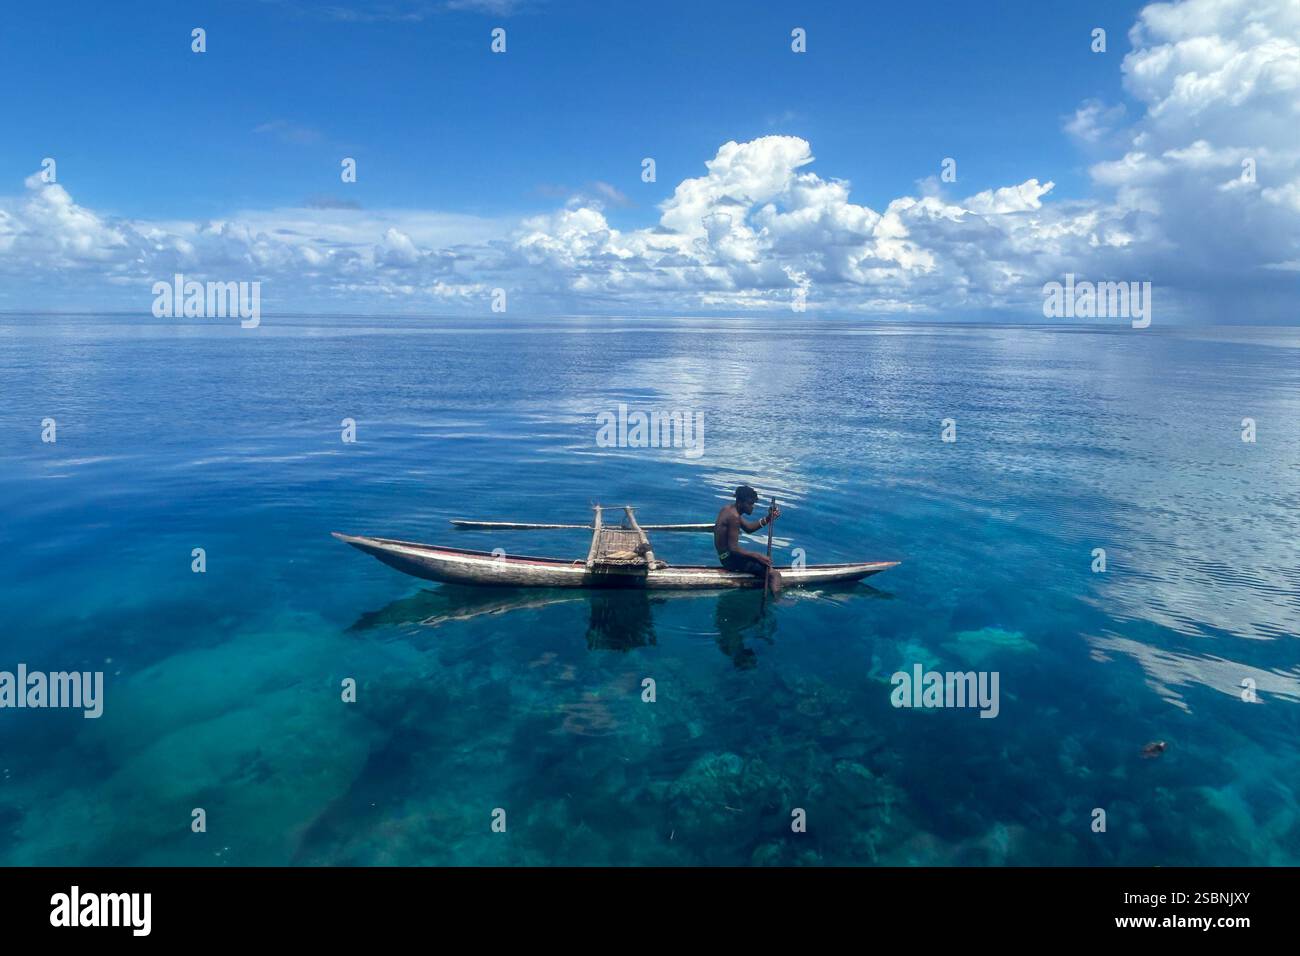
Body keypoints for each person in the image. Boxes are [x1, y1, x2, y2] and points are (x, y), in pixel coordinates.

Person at [714, 485, 782, 592]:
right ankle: (777, 600)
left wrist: (769, 518)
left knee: (762, 564)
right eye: (750, 504)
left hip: (724, 557)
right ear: (740, 503)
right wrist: (757, 556)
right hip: (730, 561)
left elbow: (749, 528)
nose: (752, 507)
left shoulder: (728, 509)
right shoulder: (734, 517)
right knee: (775, 575)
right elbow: (734, 549)